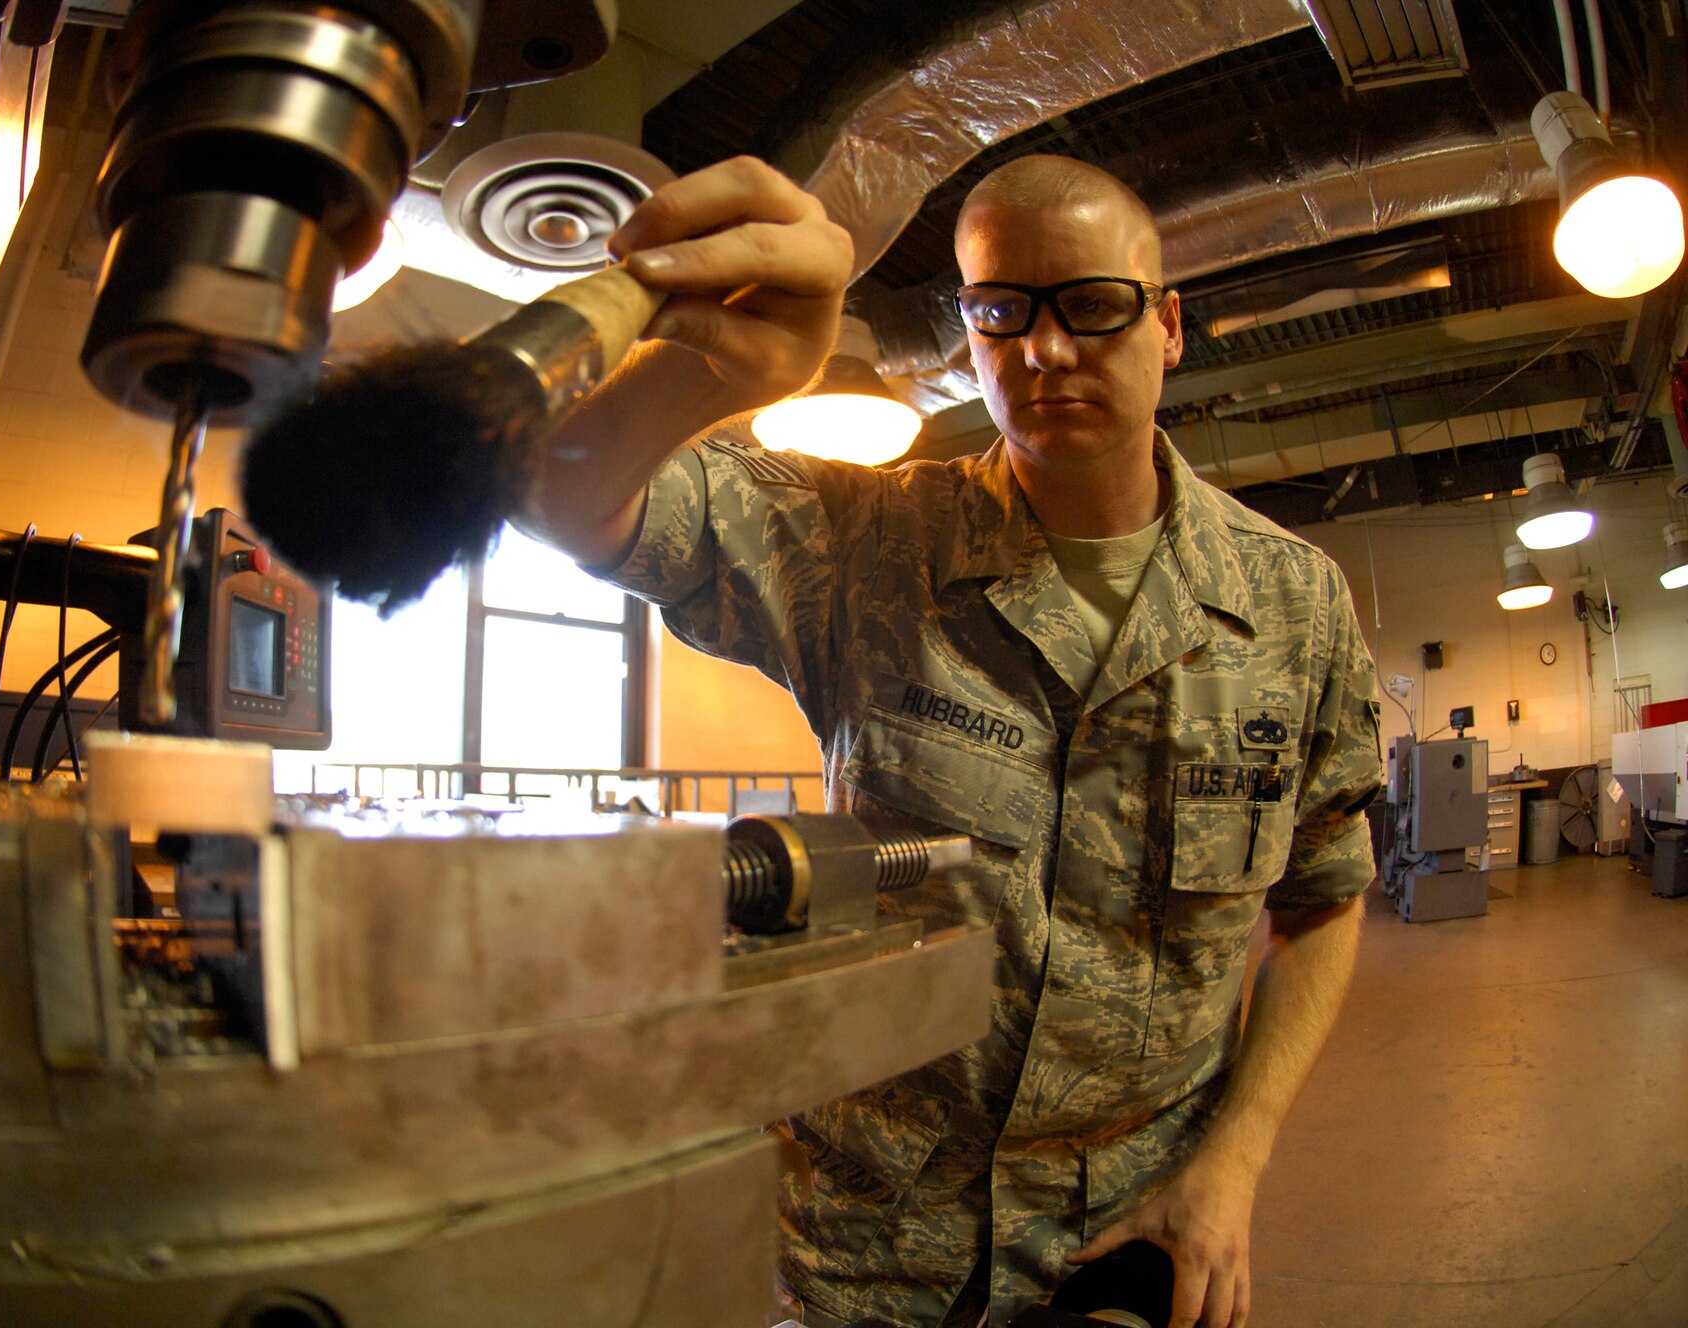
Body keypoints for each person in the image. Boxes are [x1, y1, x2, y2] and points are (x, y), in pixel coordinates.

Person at [519, 154, 1382, 1328]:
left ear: (1166, 325)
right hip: (861, 1249)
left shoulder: (1293, 605)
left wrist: (1232, 1165)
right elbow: (557, 491)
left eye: (1088, 303)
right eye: (998, 312)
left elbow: (1321, 901)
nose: (1042, 350)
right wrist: (698, 371)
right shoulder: (863, 544)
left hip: (1127, 1242)